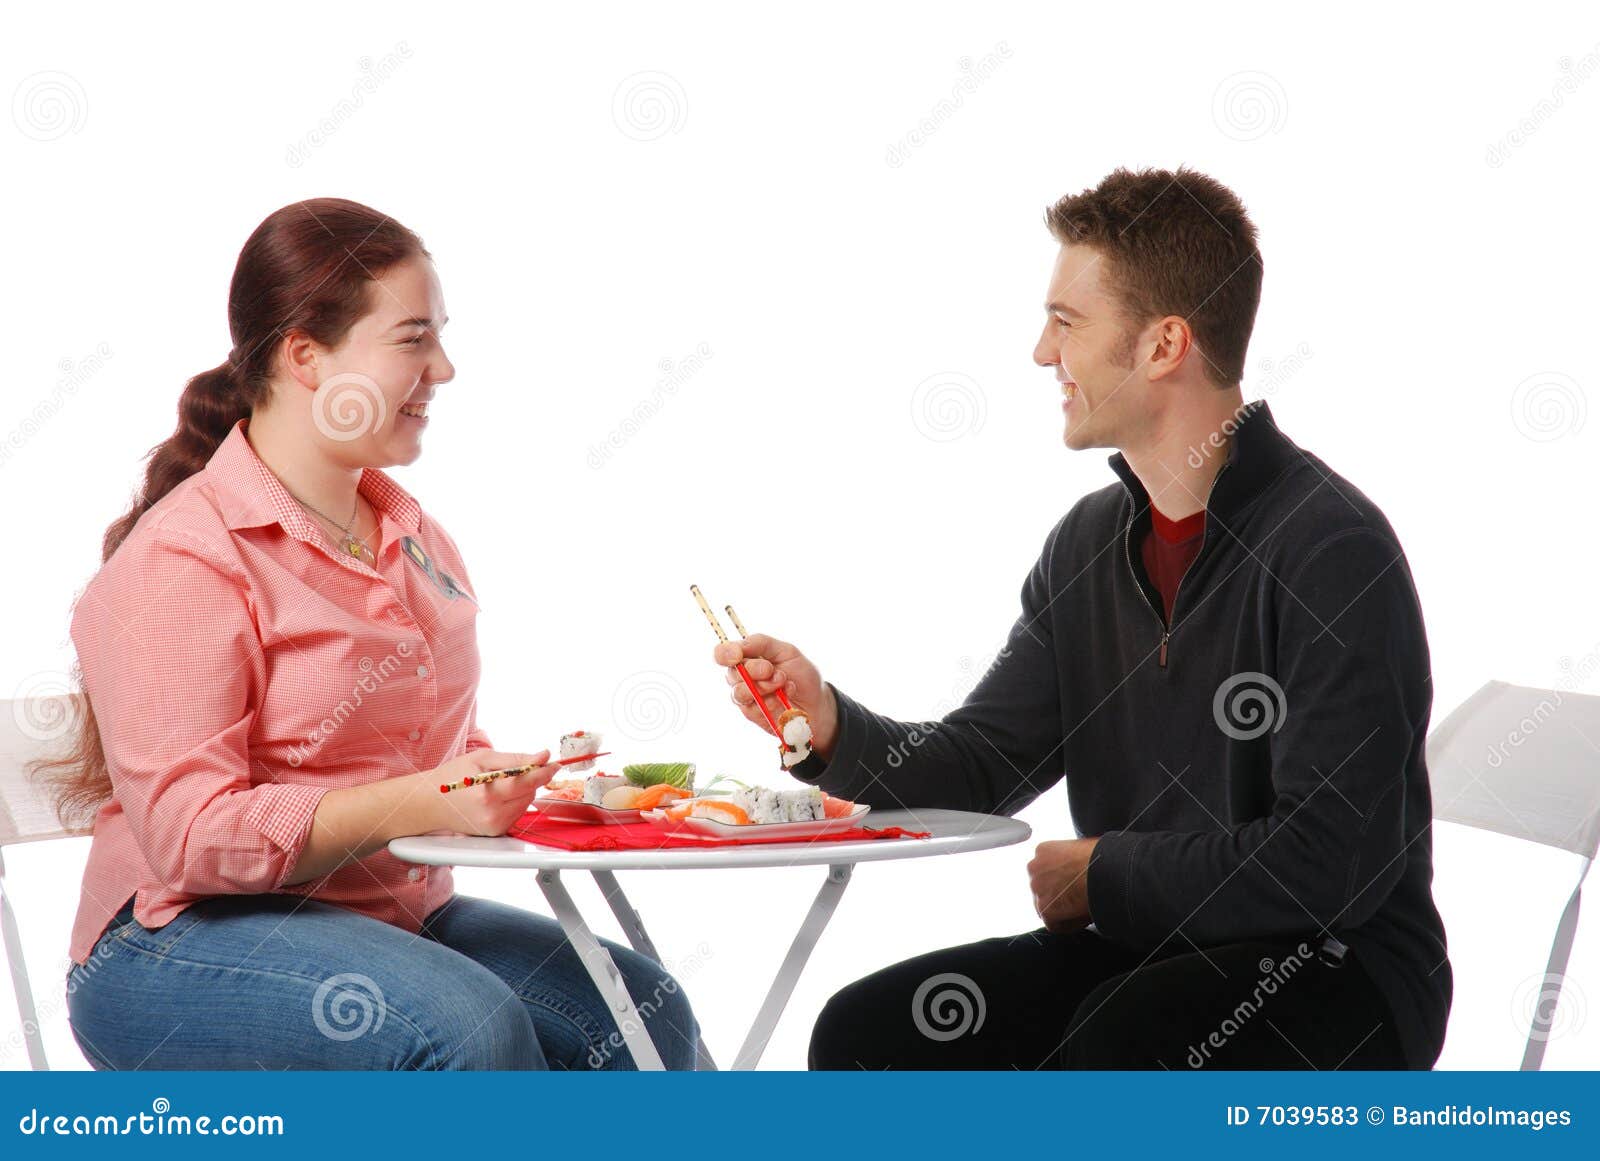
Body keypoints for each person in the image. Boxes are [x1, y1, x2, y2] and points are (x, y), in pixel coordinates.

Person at [712, 167, 1450, 1070]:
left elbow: (1328, 866)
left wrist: (1102, 873)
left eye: (1067, 322)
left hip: (1342, 975)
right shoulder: (1091, 545)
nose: (1040, 353)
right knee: (867, 1033)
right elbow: (985, 760)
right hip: (1149, 951)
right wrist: (827, 721)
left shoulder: (1332, 549)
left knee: (1110, 1056)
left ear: (1164, 344)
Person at [32, 197, 698, 1070]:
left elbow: (424, 752)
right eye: (414, 338)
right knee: (467, 1029)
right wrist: (428, 800)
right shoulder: (183, 560)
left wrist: (514, 783)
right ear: (306, 355)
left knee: (645, 1014)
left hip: (386, 913)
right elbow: (190, 839)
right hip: (172, 940)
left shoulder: (411, 534)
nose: (446, 368)